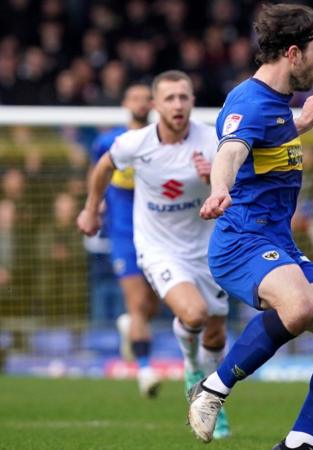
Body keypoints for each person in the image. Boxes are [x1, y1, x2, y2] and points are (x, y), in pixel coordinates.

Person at [188, 5, 313, 450]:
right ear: (293, 53)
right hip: (241, 243)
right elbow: (231, 150)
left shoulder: (279, 107)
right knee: (300, 306)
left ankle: (298, 443)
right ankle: (212, 389)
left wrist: (299, 125)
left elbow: (266, 142)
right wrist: (218, 188)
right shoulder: (248, 101)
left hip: (278, 244)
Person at [77, 70, 232, 439]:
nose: (178, 104)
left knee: (216, 331)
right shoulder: (135, 143)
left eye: (184, 97)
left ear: (192, 100)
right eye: (170, 98)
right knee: (194, 313)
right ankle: (195, 373)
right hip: (158, 247)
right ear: (155, 105)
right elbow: (103, 166)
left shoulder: (212, 140)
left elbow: (233, 193)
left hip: (207, 247)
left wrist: (215, 178)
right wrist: (90, 207)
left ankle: (210, 400)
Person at [86, 82, 161, 396]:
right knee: (136, 301)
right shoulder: (109, 141)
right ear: (126, 103)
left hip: (159, 232)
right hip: (123, 232)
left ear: (153, 103)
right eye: (135, 98)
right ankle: (145, 371)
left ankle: (129, 324)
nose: (141, 103)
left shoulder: (163, 140)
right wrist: (92, 206)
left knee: (151, 304)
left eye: (146, 98)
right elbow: (96, 173)